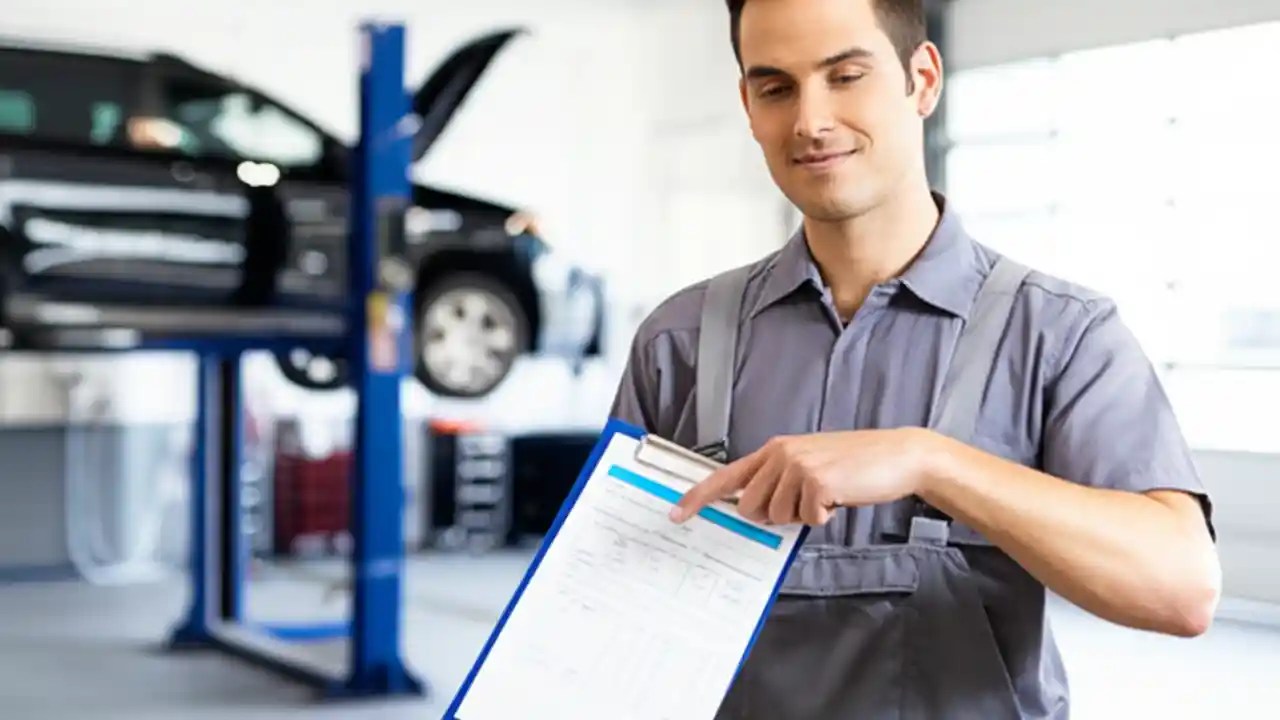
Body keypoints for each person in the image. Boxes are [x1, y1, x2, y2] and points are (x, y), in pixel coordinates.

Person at [608, 0, 1222, 717]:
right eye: (777, 88)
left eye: (846, 76)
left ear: (922, 79)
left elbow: (1180, 590)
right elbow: (605, 609)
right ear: (749, 105)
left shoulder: (1060, 334)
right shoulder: (678, 342)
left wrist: (931, 462)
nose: (810, 121)